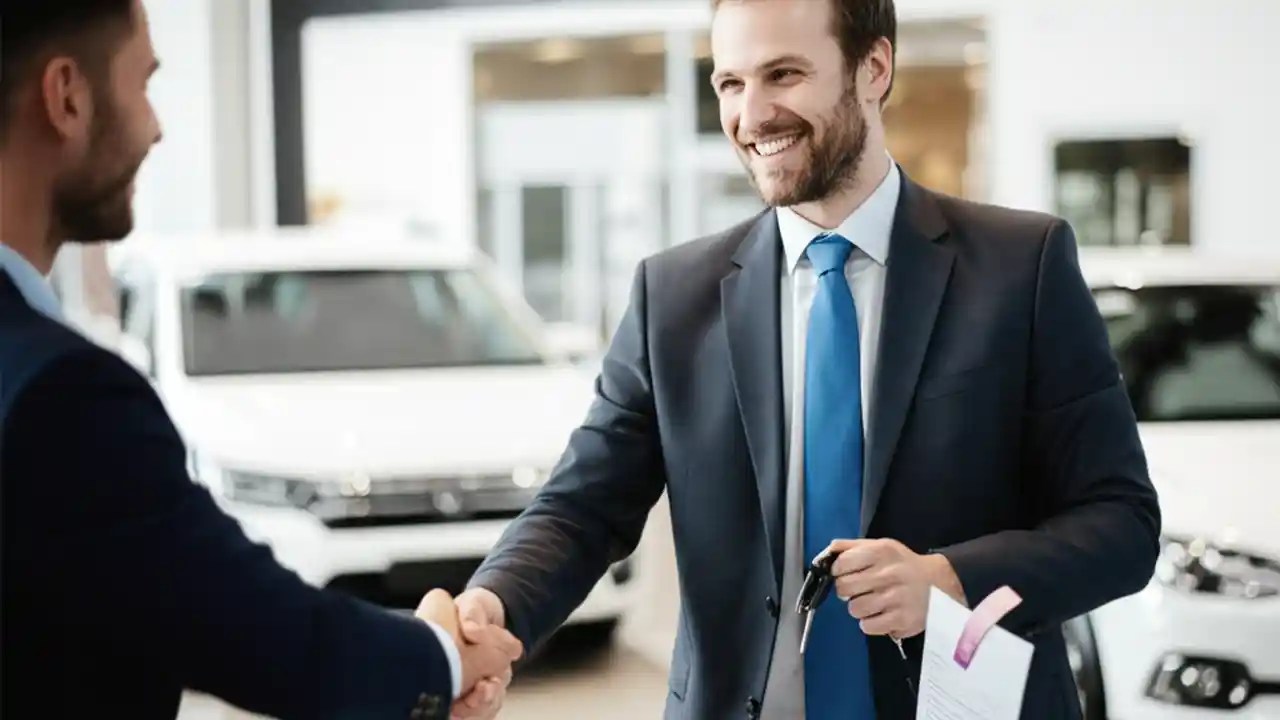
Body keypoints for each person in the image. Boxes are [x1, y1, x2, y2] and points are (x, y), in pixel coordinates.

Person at [455, 0, 1161, 717]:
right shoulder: (673, 296)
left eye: (783, 74)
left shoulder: (1020, 269)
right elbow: (581, 508)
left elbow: (1120, 524)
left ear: (873, 68)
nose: (752, 114)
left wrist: (951, 581)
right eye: (729, 83)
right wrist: (490, 606)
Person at [0, 2, 520, 718]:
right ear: (67, 97)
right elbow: (254, 629)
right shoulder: (58, 392)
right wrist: (437, 656)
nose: (155, 126)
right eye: (142, 84)